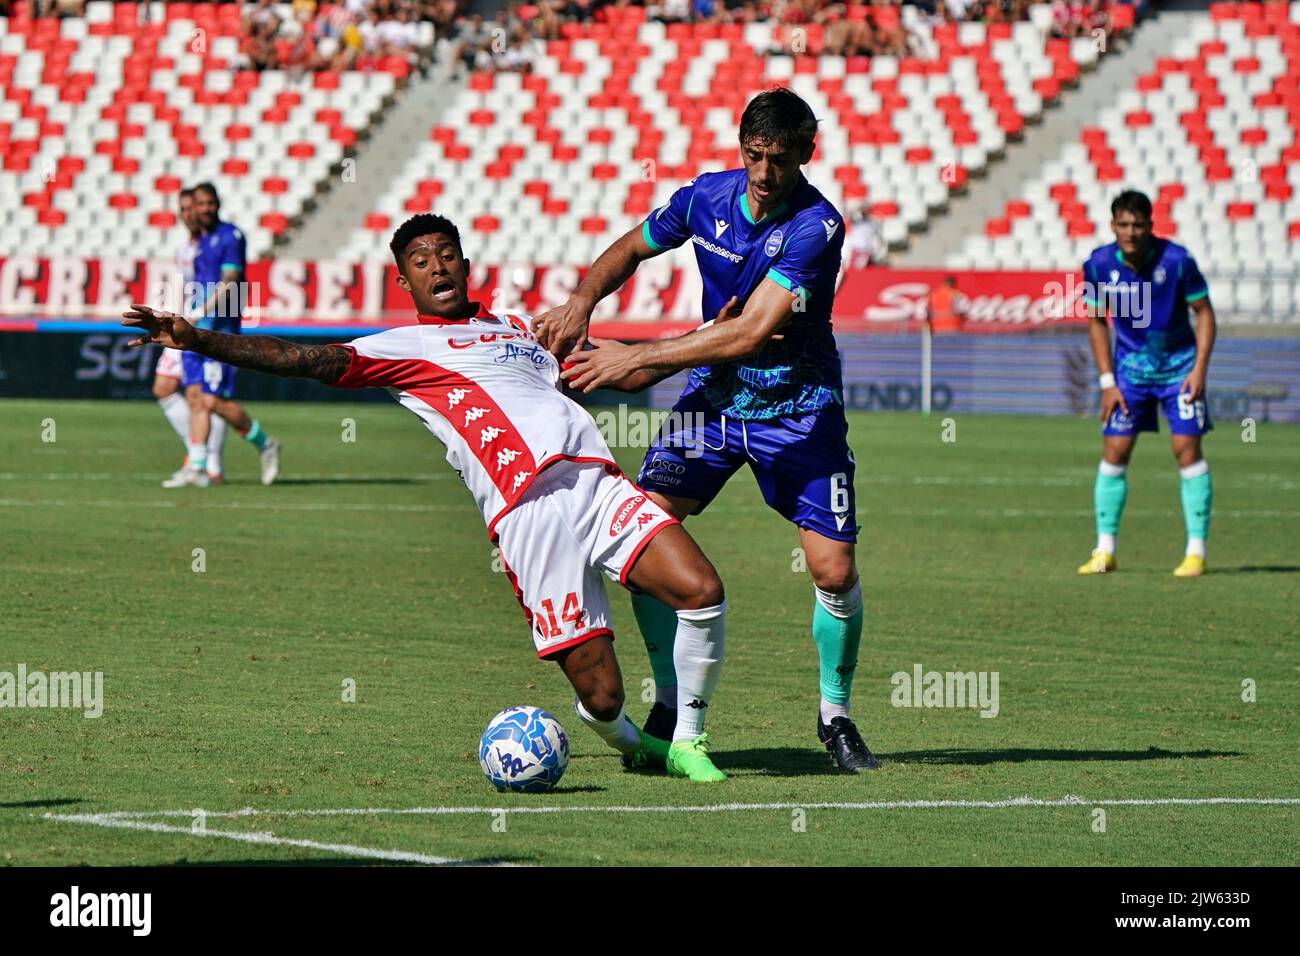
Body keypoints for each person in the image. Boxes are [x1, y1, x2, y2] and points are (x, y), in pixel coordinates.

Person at [122, 213, 731, 783]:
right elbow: (301, 358)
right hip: (525, 516)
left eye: (446, 256)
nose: (437, 268)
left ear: (466, 266)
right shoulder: (404, 348)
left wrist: (706, 336)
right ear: (404, 279)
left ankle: (686, 740)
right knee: (602, 697)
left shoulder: (522, 329)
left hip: (594, 484)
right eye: (420, 261)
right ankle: (634, 745)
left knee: (700, 590)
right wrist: (195, 339)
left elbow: (621, 370)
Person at [536, 88, 879, 773]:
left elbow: (752, 331)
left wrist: (636, 357)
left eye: (778, 160)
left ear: (806, 154)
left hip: (798, 409)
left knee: (832, 570)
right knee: (642, 542)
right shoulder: (705, 199)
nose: (763, 172)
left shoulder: (819, 226)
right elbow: (633, 247)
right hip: (713, 406)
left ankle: (834, 714)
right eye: (753, 155)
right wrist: (582, 299)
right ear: (740, 146)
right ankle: (669, 701)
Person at [1076, 190, 1217, 577]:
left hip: (1179, 371)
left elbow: (1204, 313)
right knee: (1115, 451)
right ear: (1112, 226)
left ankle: (1196, 552)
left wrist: (1200, 369)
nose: (1131, 232)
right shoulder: (1098, 265)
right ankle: (1104, 551)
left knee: (1186, 450)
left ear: (1150, 225)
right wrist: (1107, 382)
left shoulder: (1177, 261)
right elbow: (1096, 321)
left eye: (1138, 224)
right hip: (1130, 375)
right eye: (1123, 224)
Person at [168, 182, 281, 488]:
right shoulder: (201, 242)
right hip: (198, 327)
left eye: (208, 203)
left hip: (221, 331)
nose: (203, 209)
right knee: (194, 396)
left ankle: (264, 443)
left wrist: (200, 310)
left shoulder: (231, 236)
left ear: (217, 203)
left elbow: (230, 281)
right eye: (198, 204)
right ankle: (199, 465)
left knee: (212, 400)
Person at [157, 188, 228, 487]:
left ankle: (207, 459)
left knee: (205, 397)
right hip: (184, 321)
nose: (189, 213)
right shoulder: (186, 246)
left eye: (193, 208)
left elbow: (224, 283)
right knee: (169, 388)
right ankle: (198, 453)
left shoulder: (210, 243)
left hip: (202, 324)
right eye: (184, 208)